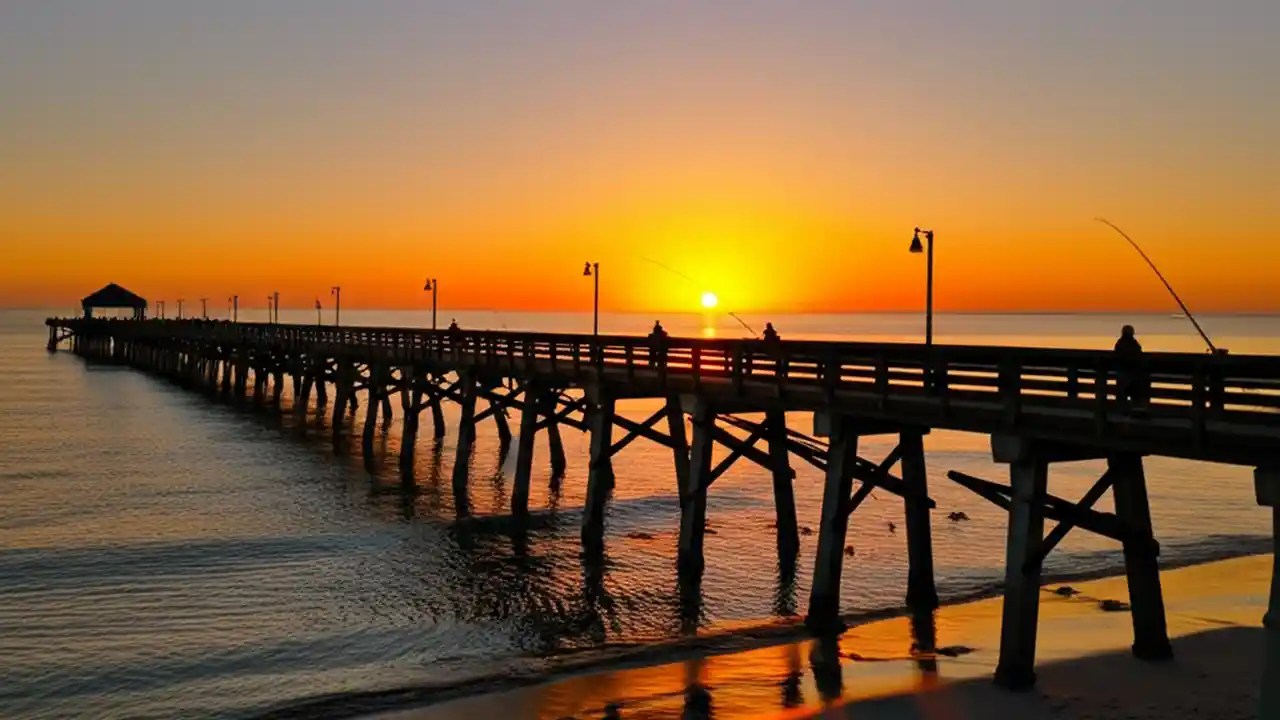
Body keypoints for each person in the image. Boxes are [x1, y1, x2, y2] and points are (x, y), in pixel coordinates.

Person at [1114, 325, 1149, 410]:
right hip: (1133, 376)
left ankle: (1123, 409)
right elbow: (1139, 357)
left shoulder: (1120, 344)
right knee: (1138, 389)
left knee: (1123, 391)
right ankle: (1137, 409)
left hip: (1124, 375)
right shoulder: (1134, 344)